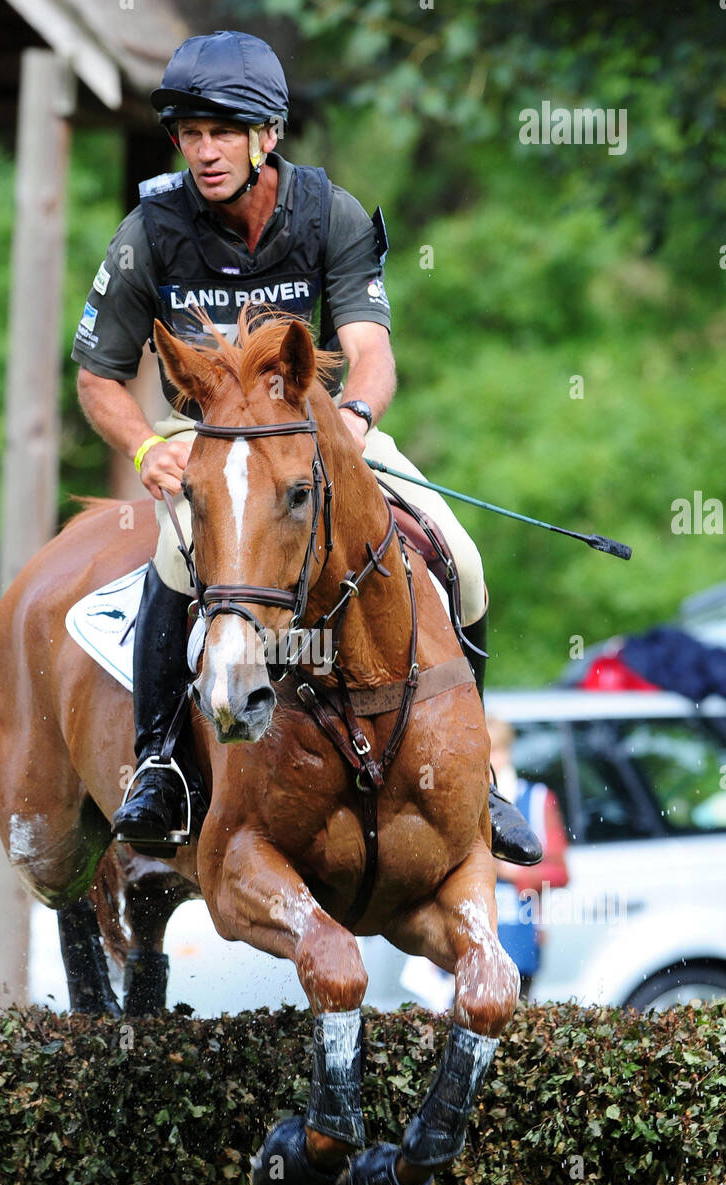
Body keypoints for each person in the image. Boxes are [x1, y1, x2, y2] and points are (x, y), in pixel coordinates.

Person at [71, 29, 541, 866]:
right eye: (190, 133)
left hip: (320, 431)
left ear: (268, 135)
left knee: (460, 556)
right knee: (179, 562)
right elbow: (98, 379)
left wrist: (355, 415)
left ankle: (479, 778)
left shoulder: (330, 214)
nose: (204, 152)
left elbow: (370, 347)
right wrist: (146, 451)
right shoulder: (149, 230)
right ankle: (162, 767)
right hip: (212, 441)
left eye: (222, 131)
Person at [486, 718, 570, 997]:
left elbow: (560, 872)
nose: (489, 762)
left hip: (518, 938)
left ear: (507, 751)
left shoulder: (535, 799)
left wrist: (516, 873)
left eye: (495, 751)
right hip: (469, 945)